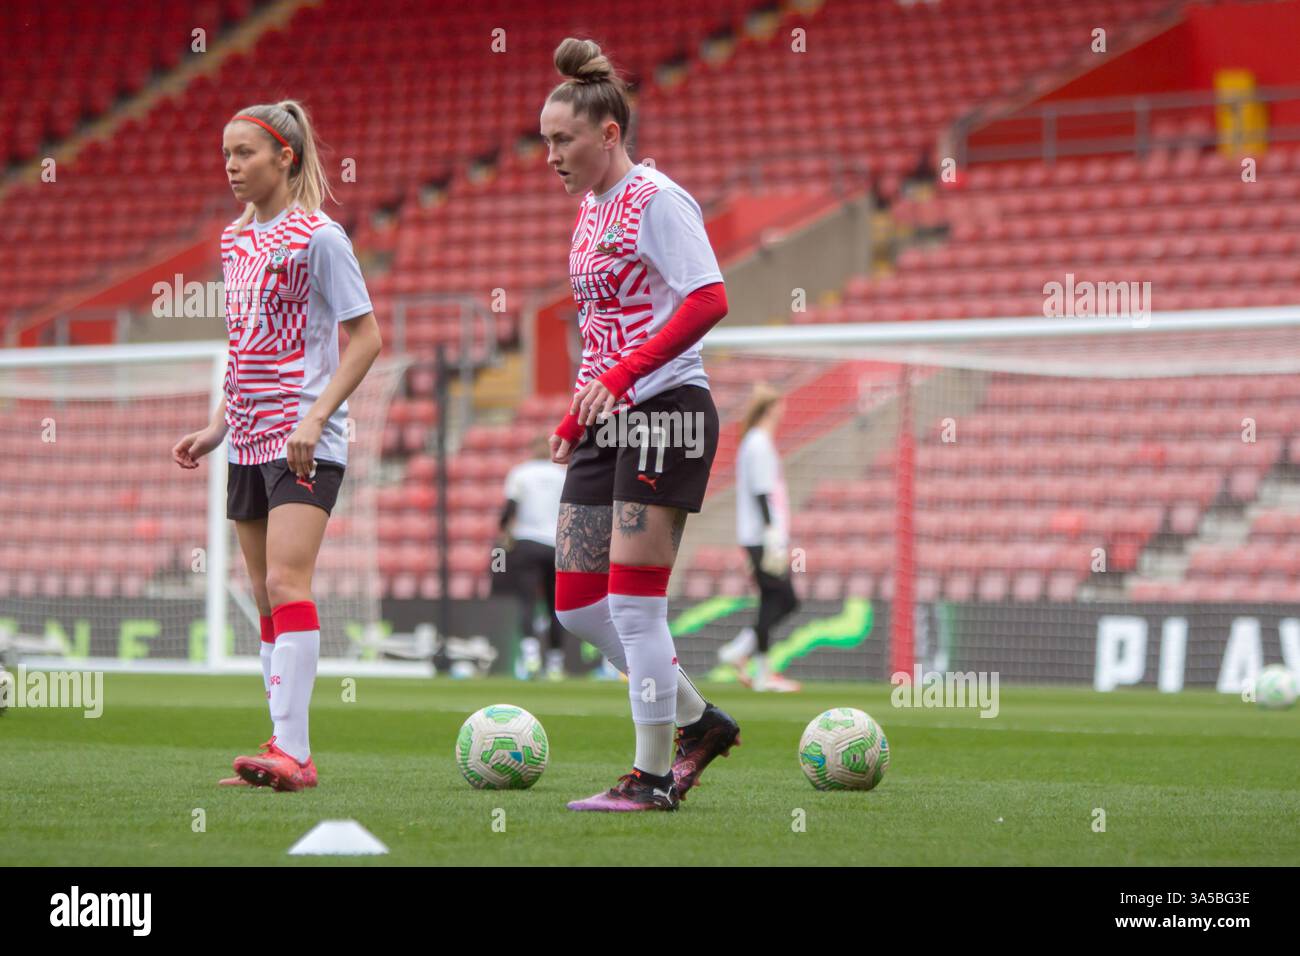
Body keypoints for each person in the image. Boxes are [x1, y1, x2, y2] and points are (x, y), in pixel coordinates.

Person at [541, 37, 740, 812]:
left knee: (633, 605)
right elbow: (606, 327)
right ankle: (699, 722)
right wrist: (576, 408)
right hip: (608, 417)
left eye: (563, 140)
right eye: (546, 141)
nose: (550, 155)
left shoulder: (659, 199)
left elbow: (708, 298)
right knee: (577, 604)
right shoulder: (589, 213)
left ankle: (651, 776)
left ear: (609, 135)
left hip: (666, 414)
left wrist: (622, 378)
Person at [171, 100, 383, 791]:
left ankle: (295, 752)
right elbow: (246, 347)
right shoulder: (235, 242)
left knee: (290, 583)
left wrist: (318, 416)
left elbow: (369, 338)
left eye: (245, 153)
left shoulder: (319, 238)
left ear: (284, 158)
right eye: (226, 153)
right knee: (264, 596)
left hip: (303, 439)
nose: (231, 166)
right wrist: (217, 424)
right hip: (250, 437)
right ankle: (282, 743)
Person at [719, 384, 803, 692]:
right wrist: (771, 534)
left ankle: (753, 663)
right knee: (785, 599)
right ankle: (749, 659)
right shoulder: (758, 444)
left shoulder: (756, 442)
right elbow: (761, 492)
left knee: (773, 600)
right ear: (770, 408)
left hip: (761, 536)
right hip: (761, 537)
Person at [494, 434, 569, 679]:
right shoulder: (561, 475)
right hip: (554, 545)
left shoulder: (520, 473)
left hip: (526, 542)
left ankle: (530, 655)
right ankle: (556, 663)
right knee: (554, 606)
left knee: (526, 600)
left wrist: (504, 532)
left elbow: (509, 509)